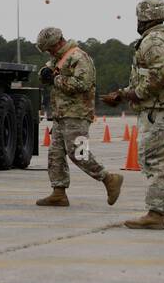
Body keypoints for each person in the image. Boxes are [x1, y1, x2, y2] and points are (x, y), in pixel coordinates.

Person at [102, 0, 164, 230]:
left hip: (161, 109)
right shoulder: (161, 39)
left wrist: (133, 94)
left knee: (154, 159)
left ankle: (155, 213)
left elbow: (160, 74)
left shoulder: (152, 42)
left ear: (144, 18)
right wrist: (125, 94)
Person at [34, 27, 123, 209]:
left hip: (77, 114)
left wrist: (55, 79)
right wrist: (45, 73)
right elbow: (48, 73)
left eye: (50, 48)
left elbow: (82, 84)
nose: (49, 53)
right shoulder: (59, 58)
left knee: (78, 152)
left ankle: (109, 179)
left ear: (58, 43)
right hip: (61, 115)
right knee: (55, 155)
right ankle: (59, 193)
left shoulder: (79, 57)